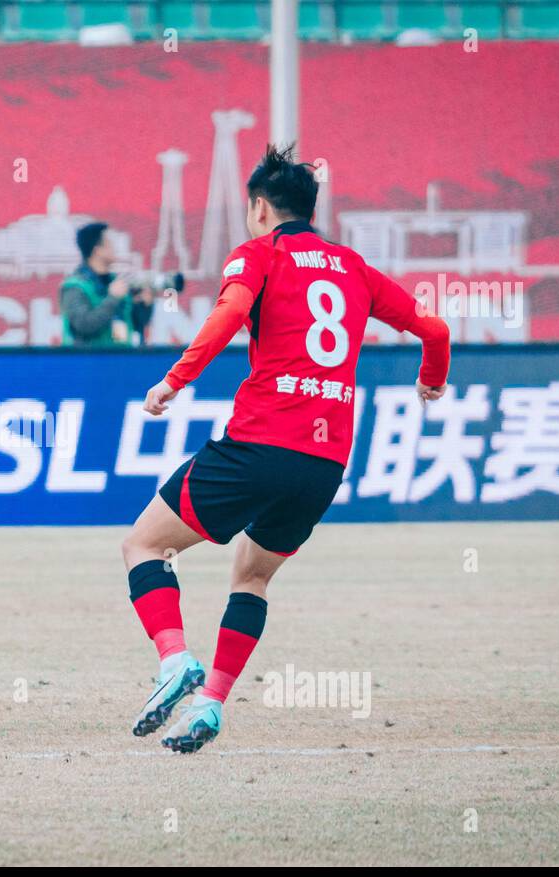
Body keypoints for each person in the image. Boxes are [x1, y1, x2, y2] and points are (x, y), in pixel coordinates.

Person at [121, 144, 451, 754]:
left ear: (259, 208)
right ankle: (211, 706)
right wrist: (432, 378)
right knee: (251, 578)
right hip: (324, 463)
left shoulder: (259, 254)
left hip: (258, 443)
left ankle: (173, 662)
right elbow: (435, 328)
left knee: (144, 544)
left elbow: (227, 316)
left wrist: (173, 381)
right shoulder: (354, 267)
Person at [59, 221, 153, 346]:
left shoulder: (116, 282)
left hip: (119, 359)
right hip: (86, 361)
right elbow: (84, 325)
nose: (115, 248)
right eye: (110, 244)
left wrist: (145, 306)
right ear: (98, 250)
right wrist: (113, 298)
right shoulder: (75, 287)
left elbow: (133, 324)